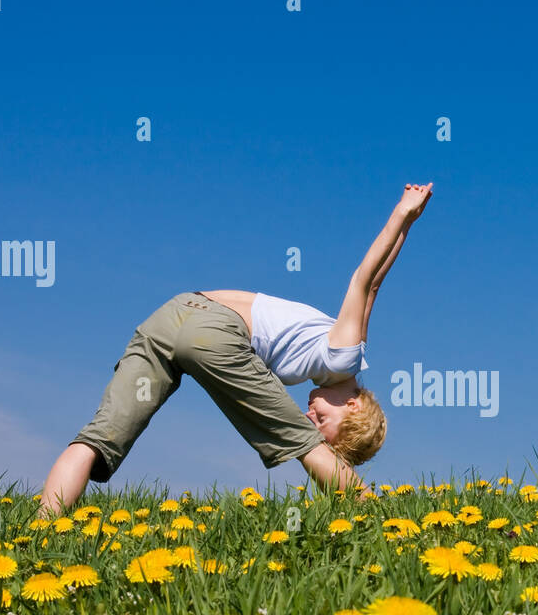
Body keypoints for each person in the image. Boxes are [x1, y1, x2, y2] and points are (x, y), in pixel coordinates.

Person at [36, 182, 433, 518]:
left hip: (170, 314)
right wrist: (401, 215)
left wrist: (409, 225)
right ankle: (373, 517)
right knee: (302, 446)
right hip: (215, 332)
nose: (312, 415)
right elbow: (366, 280)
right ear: (355, 407)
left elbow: (375, 286)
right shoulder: (343, 356)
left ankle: (39, 535)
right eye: (324, 422)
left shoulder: (329, 359)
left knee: (95, 441)